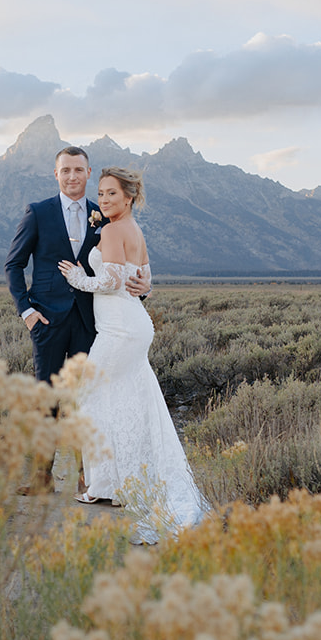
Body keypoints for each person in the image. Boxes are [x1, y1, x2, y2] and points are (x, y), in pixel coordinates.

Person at [58, 167, 206, 541]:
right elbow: (145, 279)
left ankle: (107, 485)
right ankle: (115, 484)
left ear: (128, 197)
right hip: (133, 323)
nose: (104, 200)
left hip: (120, 328)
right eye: (102, 194)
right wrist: (141, 285)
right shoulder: (135, 230)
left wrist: (77, 278)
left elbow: (108, 282)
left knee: (89, 395)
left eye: (111, 194)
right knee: (124, 399)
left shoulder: (110, 230)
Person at [5, 146, 149, 492]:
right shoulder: (38, 213)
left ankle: (90, 477)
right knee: (47, 399)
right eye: (65, 170)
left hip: (91, 322)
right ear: (56, 174)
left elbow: (127, 263)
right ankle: (42, 477)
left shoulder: (105, 214)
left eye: (78, 170)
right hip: (47, 322)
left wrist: (142, 285)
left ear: (88, 173)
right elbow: (14, 264)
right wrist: (27, 311)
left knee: (90, 399)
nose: (72, 176)